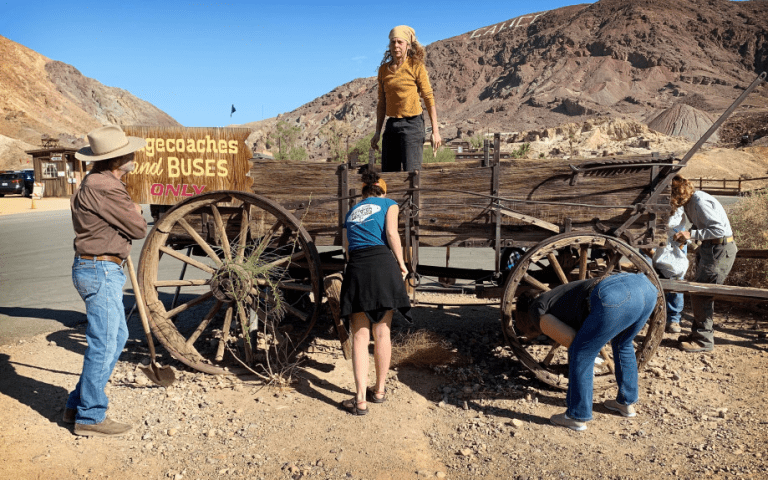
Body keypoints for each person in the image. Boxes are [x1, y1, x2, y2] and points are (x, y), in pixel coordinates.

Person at [64, 125, 147, 436]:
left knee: (115, 339)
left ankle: (76, 405)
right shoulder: (106, 187)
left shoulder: (93, 183)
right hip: (100, 269)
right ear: (119, 159)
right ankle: (90, 417)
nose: (134, 155)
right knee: (103, 344)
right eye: (129, 153)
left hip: (97, 268)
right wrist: (136, 211)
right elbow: (139, 229)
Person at [516, 272, 658, 431]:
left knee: (580, 352)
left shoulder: (536, 308)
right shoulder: (555, 294)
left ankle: (577, 416)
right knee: (623, 344)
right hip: (646, 288)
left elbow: (570, 339)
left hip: (612, 296)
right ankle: (626, 403)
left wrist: (589, 346)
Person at [339, 171, 410, 415]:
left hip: (357, 267)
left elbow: (347, 249)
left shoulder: (351, 212)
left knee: (359, 336)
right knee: (382, 332)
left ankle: (359, 400)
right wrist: (402, 263)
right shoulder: (389, 204)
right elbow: (391, 234)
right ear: (383, 191)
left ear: (364, 192)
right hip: (382, 265)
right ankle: (379, 391)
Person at [671, 175, 737, 353]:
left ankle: (703, 341)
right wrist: (689, 234)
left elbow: (718, 230)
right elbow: (705, 227)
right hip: (711, 248)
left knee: (702, 295)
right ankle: (698, 334)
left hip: (719, 250)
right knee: (698, 293)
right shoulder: (692, 202)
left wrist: (690, 235)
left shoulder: (699, 201)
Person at [371, 25, 441, 172]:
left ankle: (413, 196)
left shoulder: (416, 66)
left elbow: (428, 97)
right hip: (392, 125)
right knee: (389, 173)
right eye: (393, 42)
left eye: (400, 42)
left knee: (412, 174)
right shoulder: (384, 70)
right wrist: (377, 132)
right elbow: (382, 102)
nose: (396, 46)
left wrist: (435, 131)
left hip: (413, 124)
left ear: (408, 46)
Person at [651, 206, 689, 334]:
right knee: (649, 274)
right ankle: (652, 314)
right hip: (651, 228)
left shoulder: (679, 197)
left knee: (676, 276)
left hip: (675, 233)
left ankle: (674, 318)